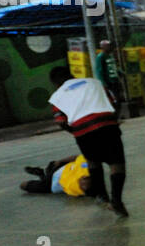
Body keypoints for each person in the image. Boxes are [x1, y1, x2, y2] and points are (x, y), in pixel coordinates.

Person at [48, 65, 129, 217]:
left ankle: (102, 196)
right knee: (117, 164)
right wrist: (113, 120)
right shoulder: (95, 83)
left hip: (83, 130)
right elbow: (114, 102)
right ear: (71, 74)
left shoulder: (56, 97)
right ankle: (117, 200)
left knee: (93, 162)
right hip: (107, 125)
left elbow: (60, 121)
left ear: (55, 83)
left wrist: (76, 132)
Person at [19, 155, 94, 197]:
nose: (83, 182)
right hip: (60, 168)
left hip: (51, 184)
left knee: (23, 185)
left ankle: (42, 175)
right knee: (52, 163)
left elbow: (86, 190)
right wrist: (60, 161)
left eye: (84, 186)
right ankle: (44, 174)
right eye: (86, 179)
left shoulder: (75, 188)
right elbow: (78, 157)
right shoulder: (87, 167)